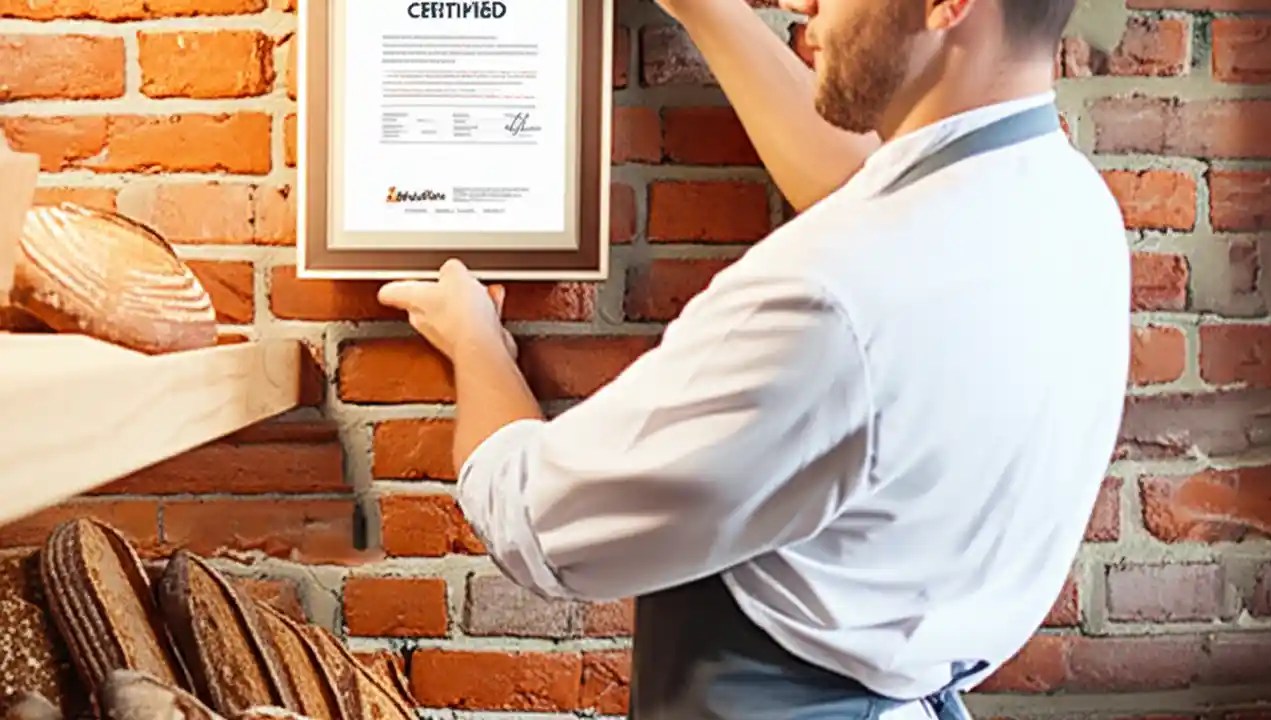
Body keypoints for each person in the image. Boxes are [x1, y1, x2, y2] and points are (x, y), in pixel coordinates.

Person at [376, 0, 1131, 717]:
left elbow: (532, 520)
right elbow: (865, 186)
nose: (804, 2)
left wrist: (475, 342)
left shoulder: (832, 299)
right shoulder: (1070, 207)